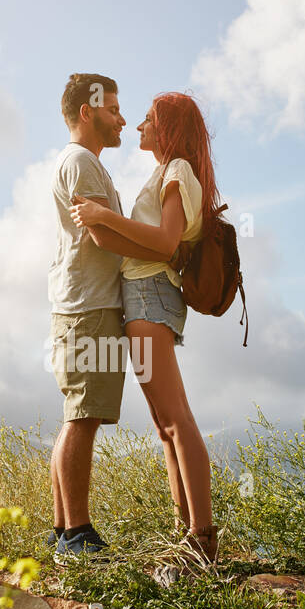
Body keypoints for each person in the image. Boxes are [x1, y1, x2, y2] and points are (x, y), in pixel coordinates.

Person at [69, 91, 220, 576]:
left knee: (174, 419)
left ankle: (201, 540)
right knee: (164, 425)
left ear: (169, 127)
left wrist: (100, 216)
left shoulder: (177, 170)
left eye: (149, 120)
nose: (137, 127)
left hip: (150, 296)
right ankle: (188, 536)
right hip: (147, 296)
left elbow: (164, 241)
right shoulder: (170, 172)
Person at [47, 73, 168, 559]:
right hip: (90, 306)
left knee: (78, 415)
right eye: (113, 110)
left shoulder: (84, 163)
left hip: (82, 303)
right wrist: (164, 249)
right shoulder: (80, 162)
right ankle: (76, 533)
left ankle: (63, 531)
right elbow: (103, 237)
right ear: (86, 112)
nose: (121, 119)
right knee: (84, 416)